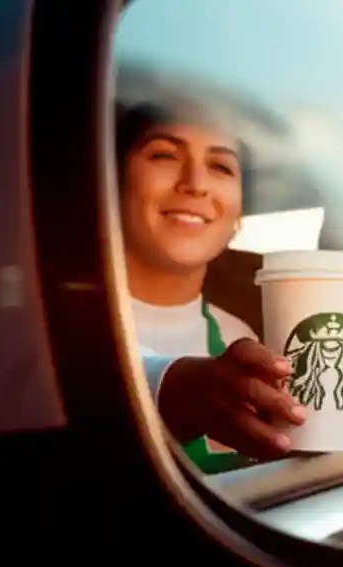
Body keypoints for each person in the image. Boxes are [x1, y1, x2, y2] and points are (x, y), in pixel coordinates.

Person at [115, 101, 305, 472]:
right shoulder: (43, 332)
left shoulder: (243, 341)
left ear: (237, 216)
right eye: (164, 155)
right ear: (113, 182)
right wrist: (169, 390)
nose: (196, 184)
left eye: (220, 166)